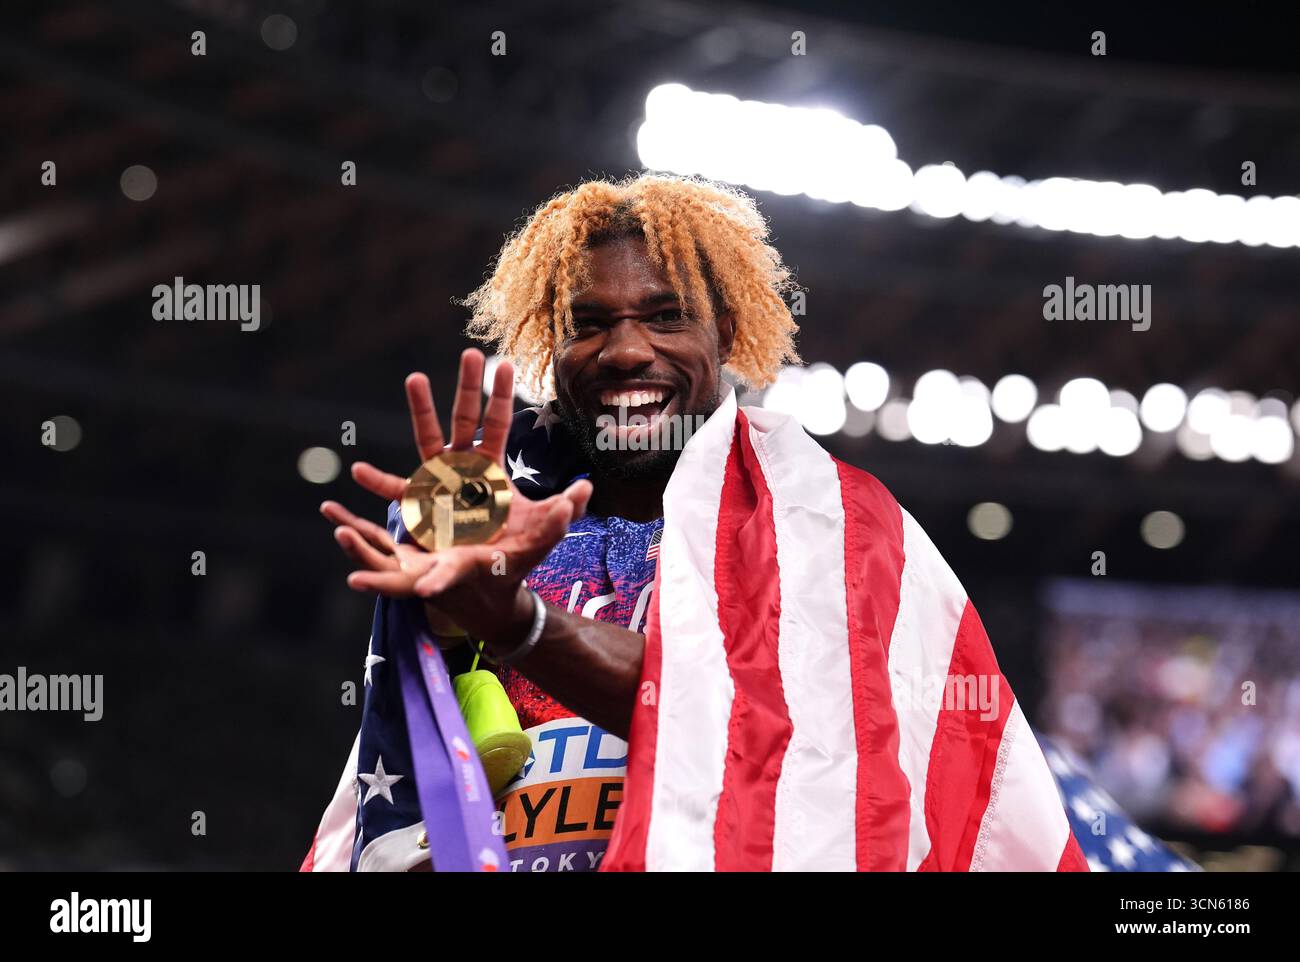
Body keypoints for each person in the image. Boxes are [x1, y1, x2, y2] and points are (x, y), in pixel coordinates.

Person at [301, 172, 1087, 872]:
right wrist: (440, 605)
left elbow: (763, 727)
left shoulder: (832, 525)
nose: (625, 350)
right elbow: (414, 758)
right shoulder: (498, 514)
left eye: (666, 315)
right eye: (588, 323)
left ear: (729, 333)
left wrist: (516, 622)